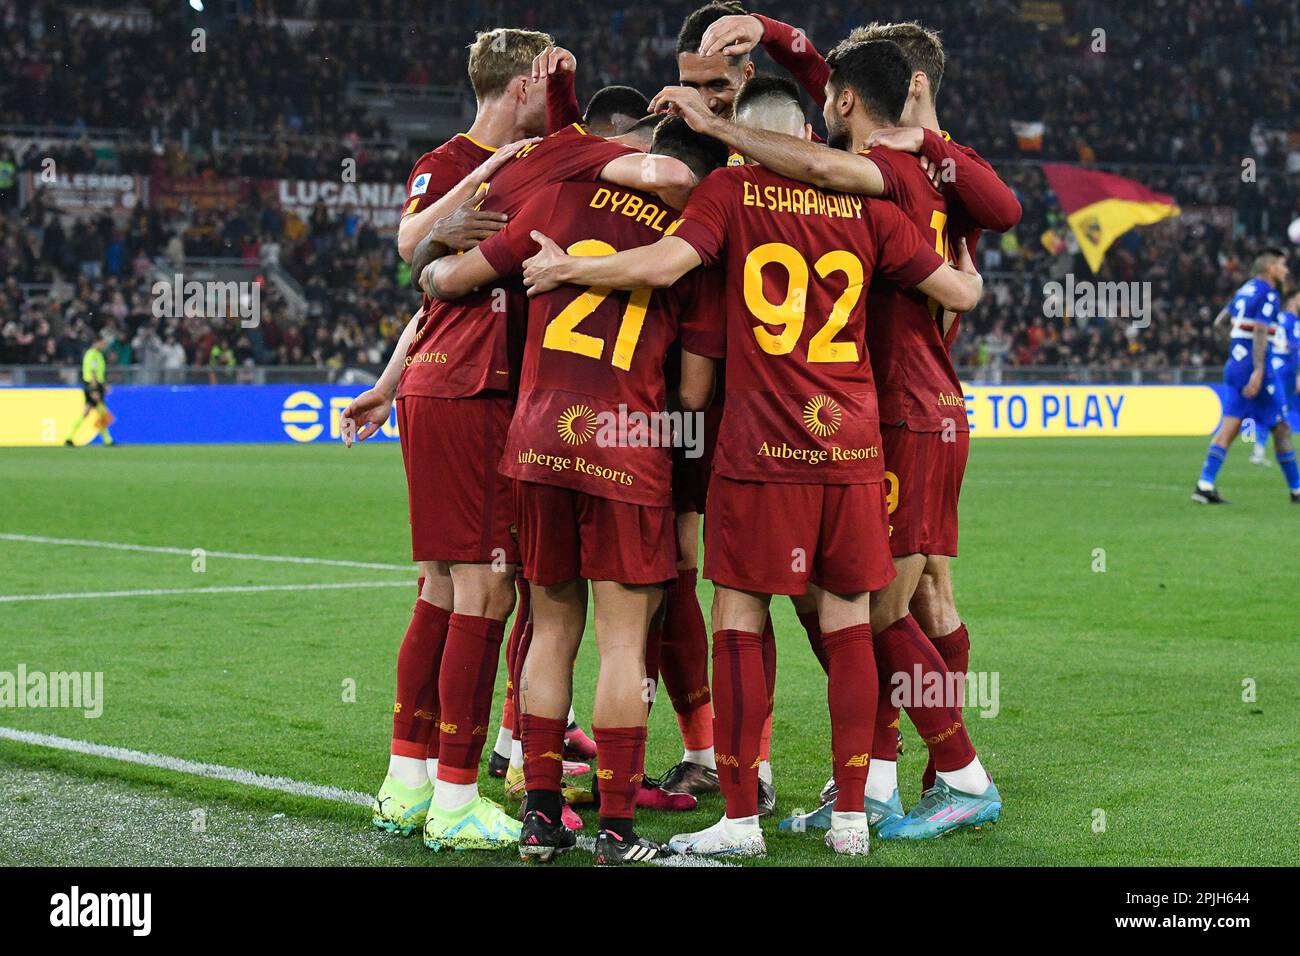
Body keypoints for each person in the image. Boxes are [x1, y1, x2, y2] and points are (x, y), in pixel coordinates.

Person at [521, 51, 983, 856]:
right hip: (852, 448)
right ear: (806, 135)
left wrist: (572, 266)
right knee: (847, 623)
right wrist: (968, 278)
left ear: (745, 142)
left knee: (738, 615)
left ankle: (739, 819)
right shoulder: (865, 207)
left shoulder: (730, 191)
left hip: (761, 447)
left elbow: (666, 263)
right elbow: (955, 292)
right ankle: (851, 817)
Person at [420, 116, 729, 864]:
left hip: (535, 439)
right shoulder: (696, 236)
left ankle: (539, 818)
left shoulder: (556, 200)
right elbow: (691, 391)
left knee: (551, 631)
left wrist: (433, 255)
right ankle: (617, 832)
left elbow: (446, 279)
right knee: (624, 644)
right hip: (625, 444)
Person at [1194, 249, 1298, 504]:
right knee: (1280, 425)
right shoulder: (1267, 293)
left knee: (1231, 426)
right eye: (1283, 266)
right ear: (1271, 269)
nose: (1286, 271)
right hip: (1256, 366)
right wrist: (1259, 368)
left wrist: (1236, 348)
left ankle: (1204, 484)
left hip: (1236, 365)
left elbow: (1220, 322)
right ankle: (1296, 489)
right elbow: (1261, 331)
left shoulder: (1246, 289)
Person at [64, 332, 114, 447]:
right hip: (92, 387)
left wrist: (104, 385)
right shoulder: (91, 355)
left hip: (97, 386)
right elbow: (92, 373)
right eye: (102, 343)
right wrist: (94, 390)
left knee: (89, 413)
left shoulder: (98, 355)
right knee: (102, 413)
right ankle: (107, 440)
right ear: (96, 342)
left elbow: (99, 373)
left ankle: (70, 437)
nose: (104, 346)